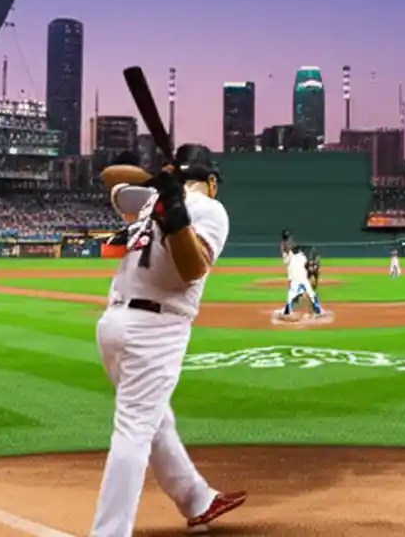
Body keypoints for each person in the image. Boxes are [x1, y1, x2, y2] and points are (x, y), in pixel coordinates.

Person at [92, 144, 246, 536]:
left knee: (155, 418)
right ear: (210, 181)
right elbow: (193, 268)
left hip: (113, 324)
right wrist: (164, 193)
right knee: (135, 431)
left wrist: (164, 195)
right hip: (154, 330)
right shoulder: (209, 208)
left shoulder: (150, 204)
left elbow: (110, 180)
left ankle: (197, 497)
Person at [282, 244, 322, 316]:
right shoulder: (302, 257)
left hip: (295, 279)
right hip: (303, 278)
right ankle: (317, 309)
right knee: (311, 293)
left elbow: (287, 252)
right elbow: (307, 265)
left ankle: (287, 310)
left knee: (291, 294)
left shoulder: (291, 258)